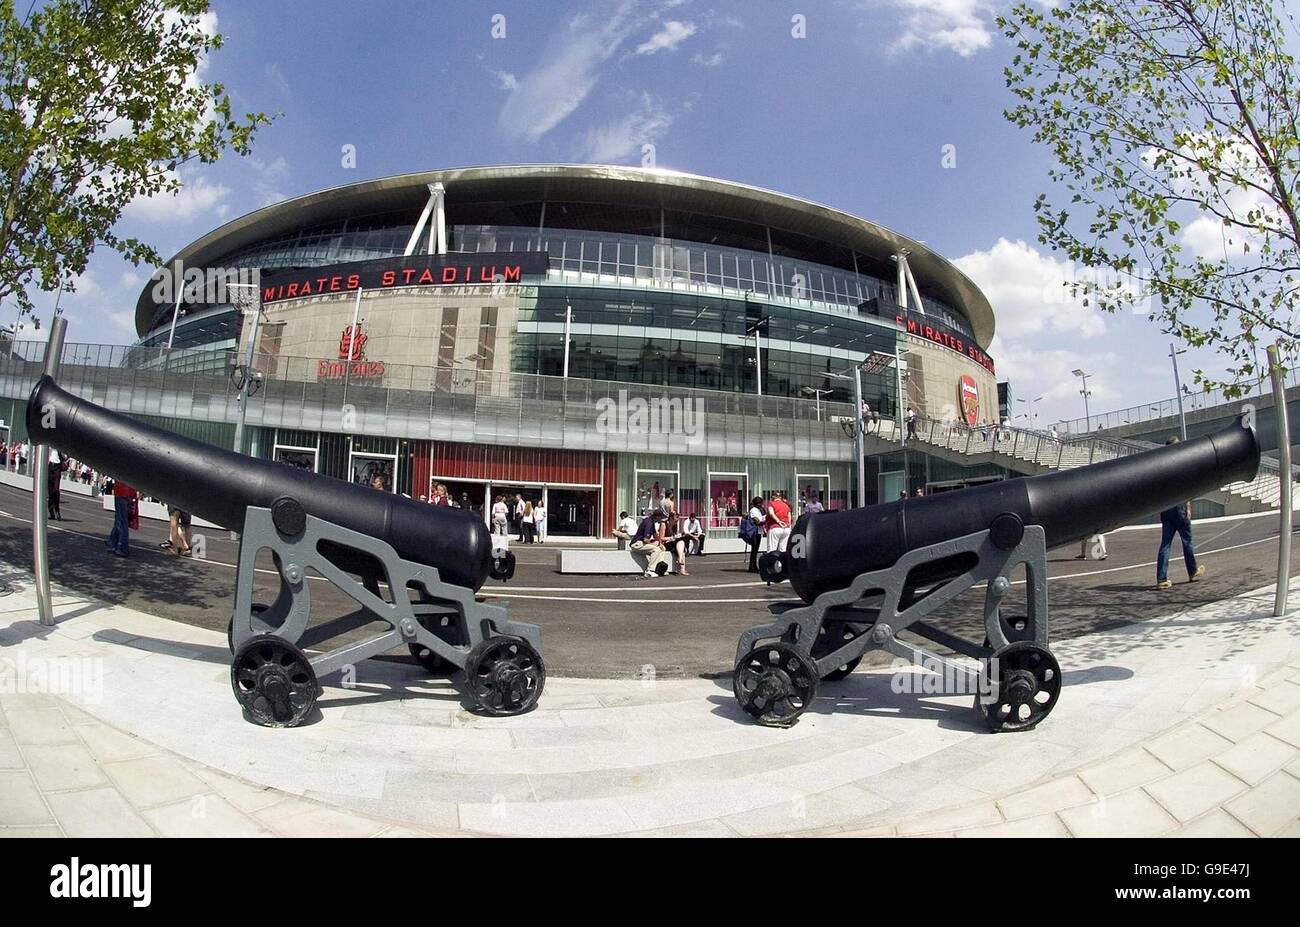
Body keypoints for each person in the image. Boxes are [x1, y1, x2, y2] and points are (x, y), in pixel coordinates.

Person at [1156, 439, 1205, 589]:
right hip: (1179, 507)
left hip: (1166, 508)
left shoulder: (1160, 466)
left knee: (1165, 544)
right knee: (1187, 541)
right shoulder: (1181, 462)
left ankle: (1161, 579)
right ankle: (1193, 571)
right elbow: (1187, 487)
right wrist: (1188, 507)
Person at [630, 511, 672, 578]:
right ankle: (649, 570)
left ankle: (659, 569)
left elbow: (655, 535)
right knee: (656, 550)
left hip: (642, 543)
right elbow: (645, 540)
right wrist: (654, 544)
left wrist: (659, 543)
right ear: (657, 517)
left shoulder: (651, 521)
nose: (662, 520)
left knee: (661, 549)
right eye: (661, 518)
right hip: (637, 544)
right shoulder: (648, 523)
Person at [107, 478, 137, 558]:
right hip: (127, 492)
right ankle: (113, 542)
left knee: (121, 521)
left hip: (122, 492)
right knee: (119, 519)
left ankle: (123, 548)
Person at [765, 490, 792, 554]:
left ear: (773, 496)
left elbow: (771, 513)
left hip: (775, 527)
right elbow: (789, 517)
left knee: (772, 549)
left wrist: (778, 521)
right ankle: (782, 564)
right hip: (786, 528)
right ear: (780, 497)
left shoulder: (771, 503)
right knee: (783, 550)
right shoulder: (786, 505)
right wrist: (789, 526)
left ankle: (771, 563)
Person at [745, 496, 766, 573]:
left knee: (755, 550)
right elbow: (757, 521)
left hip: (758, 531)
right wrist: (766, 518)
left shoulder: (759, 510)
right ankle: (752, 566)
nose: (760, 505)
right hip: (755, 531)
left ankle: (753, 566)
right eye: (759, 503)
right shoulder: (753, 510)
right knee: (754, 549)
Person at [47, 448, 66, 520]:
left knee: (56, 491)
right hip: (50, 466)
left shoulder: (61, 446)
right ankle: (51, 512)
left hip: (57, 467)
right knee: (50, 492)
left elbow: (65, 457)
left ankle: (57, 511)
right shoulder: (50, 445)